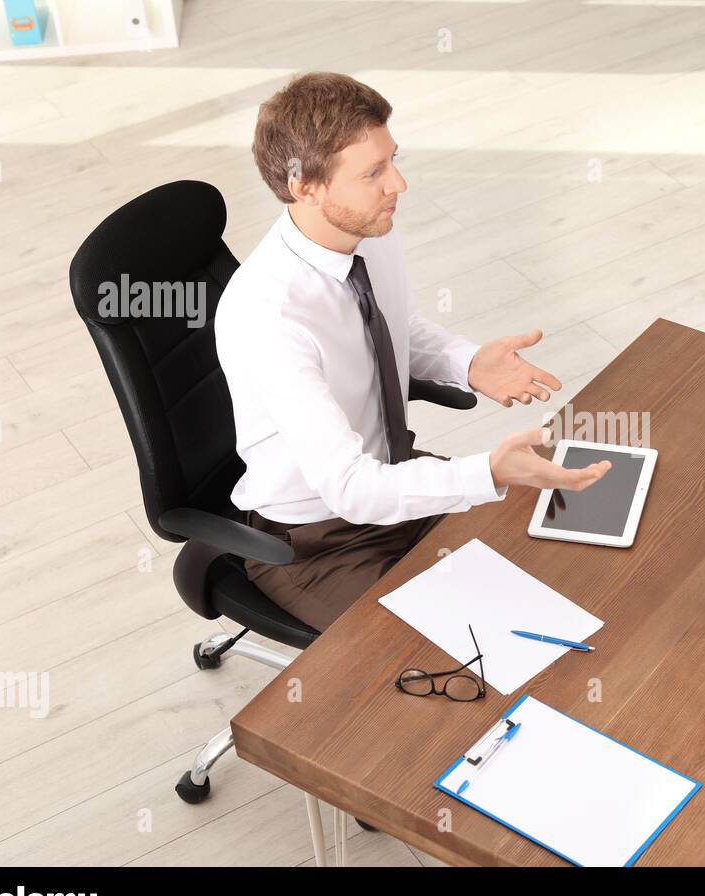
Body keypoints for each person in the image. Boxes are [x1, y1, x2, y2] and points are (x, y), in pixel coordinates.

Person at [215, 72, 610, 630]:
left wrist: (466, 362)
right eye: (373, 173)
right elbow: (350, 490)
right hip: (316, 542)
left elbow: (393, 326)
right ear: (304, 185)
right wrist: (488, 472)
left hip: (396, 481)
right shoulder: (271, 315)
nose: (397, 184)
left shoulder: (368, 230)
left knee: (556, 564)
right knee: (464, 652)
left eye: (392, 160)